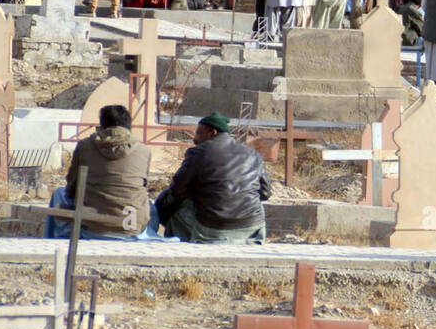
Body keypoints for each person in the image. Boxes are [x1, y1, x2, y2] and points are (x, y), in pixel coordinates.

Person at [155, 112, 271, 243]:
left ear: (212, 132)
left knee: (169, 202)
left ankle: (181, 247)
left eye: (198, 133)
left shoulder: (198, 152)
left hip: (212, 227)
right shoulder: (252, 154)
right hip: (252, 226)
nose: (195, 139)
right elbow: (265, 193)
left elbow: (177, 190)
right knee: (255, 202)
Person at [43, 104, 153, 240]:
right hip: (130, 227)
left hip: (92, 226)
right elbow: (141, 186)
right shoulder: (144, 151)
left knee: (59, 194)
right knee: (148, 203)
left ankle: (57, 240)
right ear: (129, 126)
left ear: (102, 125)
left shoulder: (85, 146)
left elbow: (72, 187)